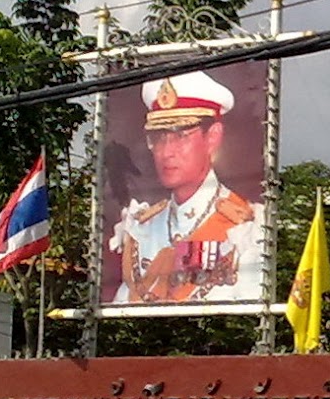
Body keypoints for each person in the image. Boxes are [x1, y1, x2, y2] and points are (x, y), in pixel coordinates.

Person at [109, 71, 264, 305]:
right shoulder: (142, 229)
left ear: (212, 137)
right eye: (158, 138)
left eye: (181, 136)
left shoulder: (246, 229)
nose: (166, 152)